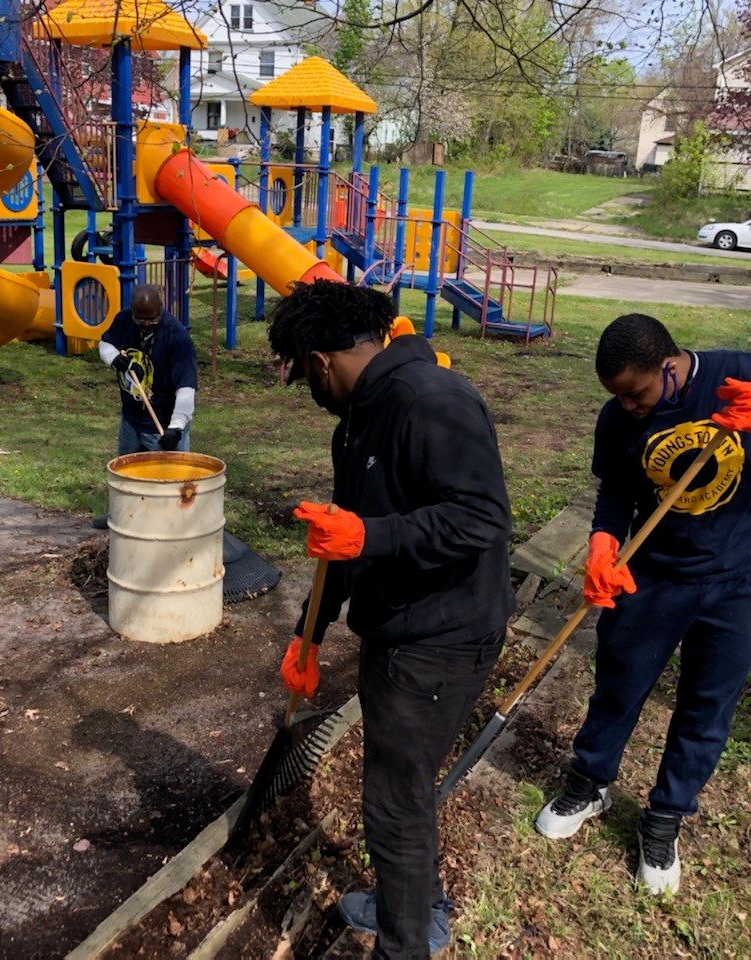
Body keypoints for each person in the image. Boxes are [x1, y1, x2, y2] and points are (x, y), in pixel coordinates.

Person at [534, 313, 751, 895]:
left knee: (708, 704)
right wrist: (603, 545)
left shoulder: (743, 377)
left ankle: (665, 816)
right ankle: (590, 782)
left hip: (740, 580)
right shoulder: (618, 418)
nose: (629, 407)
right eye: (618, 397)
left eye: (637, 393)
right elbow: (615, 493)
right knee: (618, 685)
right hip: (656, 579)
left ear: (669, 365)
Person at [269, 280, 514, 958]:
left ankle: (404, 945)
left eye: (305, 379)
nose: (311, 393)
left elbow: (482, 518)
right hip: (401, 628)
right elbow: (347, 539)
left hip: (440, 640)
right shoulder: (357, 422)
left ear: (321, 362)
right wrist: (310, 634)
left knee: (394, 805)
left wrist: (370, 537)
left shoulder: (433, 401)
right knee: (403, 791)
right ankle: (416, 902)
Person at [97, 284, 197, 455]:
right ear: (133, 312)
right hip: (131, 421)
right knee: (127, 469)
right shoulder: (124, 319)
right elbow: (105, 343)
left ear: (160, 309)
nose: (147, 324)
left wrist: (176, 426)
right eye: (140, 320)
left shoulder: (176, 336)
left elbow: (186, 387)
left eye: (152, 320)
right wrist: (114, 358)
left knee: (170, 471)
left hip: (164, 426)